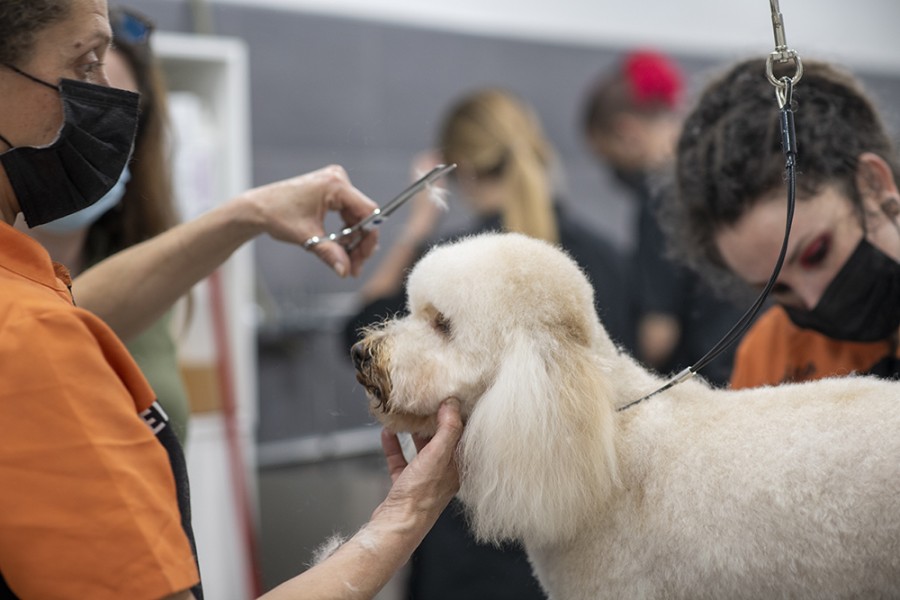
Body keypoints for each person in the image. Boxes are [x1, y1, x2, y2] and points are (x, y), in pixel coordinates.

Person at [0, 1, 462, 599]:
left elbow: (78, 311)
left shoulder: (32, 308)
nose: (103, 106)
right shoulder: (30, 339)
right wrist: (406, 515)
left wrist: (246, 215)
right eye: (86, 64)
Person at [345, 87, 632, 600]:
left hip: (468, 551)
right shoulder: (605, 258)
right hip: (585, 550)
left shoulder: (456, 265)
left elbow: (359, 335)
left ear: (459, 172)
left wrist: (418, 223)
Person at [665, 56, 900, 389]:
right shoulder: (770, 357)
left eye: (817, 253)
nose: (814, 299)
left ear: (874, 185)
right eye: (779, 289)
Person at [19, 5, 192, 444]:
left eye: (112, 121)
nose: (91, 140)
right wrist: (244, 218)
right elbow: (53, 331)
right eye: (77, 103)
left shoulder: (142, 266)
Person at [581, 49, 744, 386]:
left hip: (705, 386)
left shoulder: (659, 195)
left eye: (606, 155)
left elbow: (658, 336)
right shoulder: (716, 173)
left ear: (627, 132)